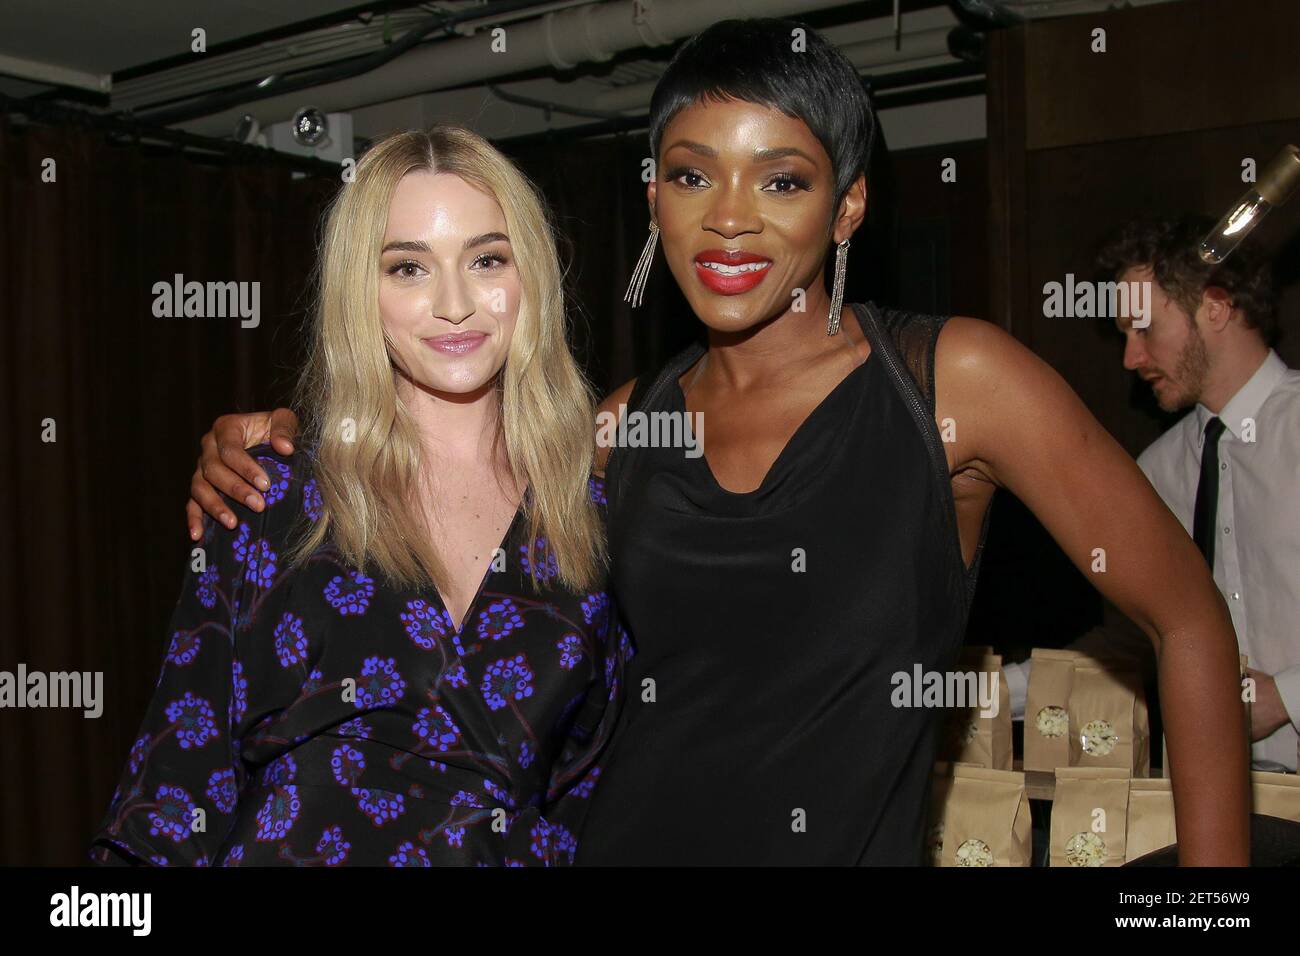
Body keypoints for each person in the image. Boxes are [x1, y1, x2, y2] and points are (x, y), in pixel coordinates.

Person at [179, 20, 1249, 864]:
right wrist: (277, 443)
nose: (731, 217)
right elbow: (425, 479)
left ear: (847, 206)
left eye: (782, 180)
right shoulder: (614, 428)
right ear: (654, 197)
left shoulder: (953, 383)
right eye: (693, 175)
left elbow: (1189, 616)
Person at [90, 126, 626, 867]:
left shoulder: (593, 524)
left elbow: (603, 809)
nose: (454, 304)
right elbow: (172, 795)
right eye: (408, 267)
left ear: (530, 275)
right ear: (358, 293)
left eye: (487, 260)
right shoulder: (272, 497)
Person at [1097, 215, 1298, 773]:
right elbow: (1129, 642)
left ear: (1216, 307)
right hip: (1209, 791)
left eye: (1143, 329)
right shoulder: (1156, 471)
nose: (1130, 358)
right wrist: (978, 692)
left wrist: (1285, 698)